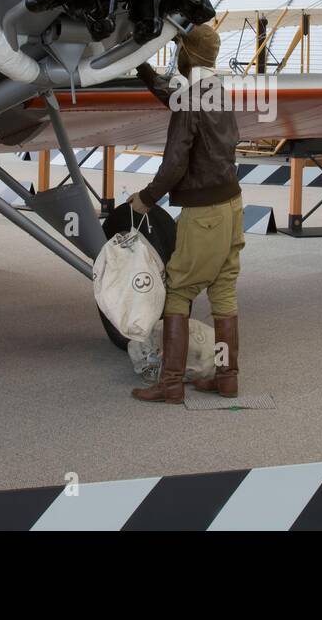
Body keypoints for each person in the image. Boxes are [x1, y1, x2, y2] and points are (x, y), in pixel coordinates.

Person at [127, 25, 245, 404]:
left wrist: (146, 197)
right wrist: (140, 67)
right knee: (223, 289)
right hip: (233, 206)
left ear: (187, 55)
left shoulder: (192, 99)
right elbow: (173, 96)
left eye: (179, 47)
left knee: (178, 291)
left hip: (204, 211)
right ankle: (227, 377)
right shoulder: (216, 92)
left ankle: (171, 383)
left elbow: (175, 162)